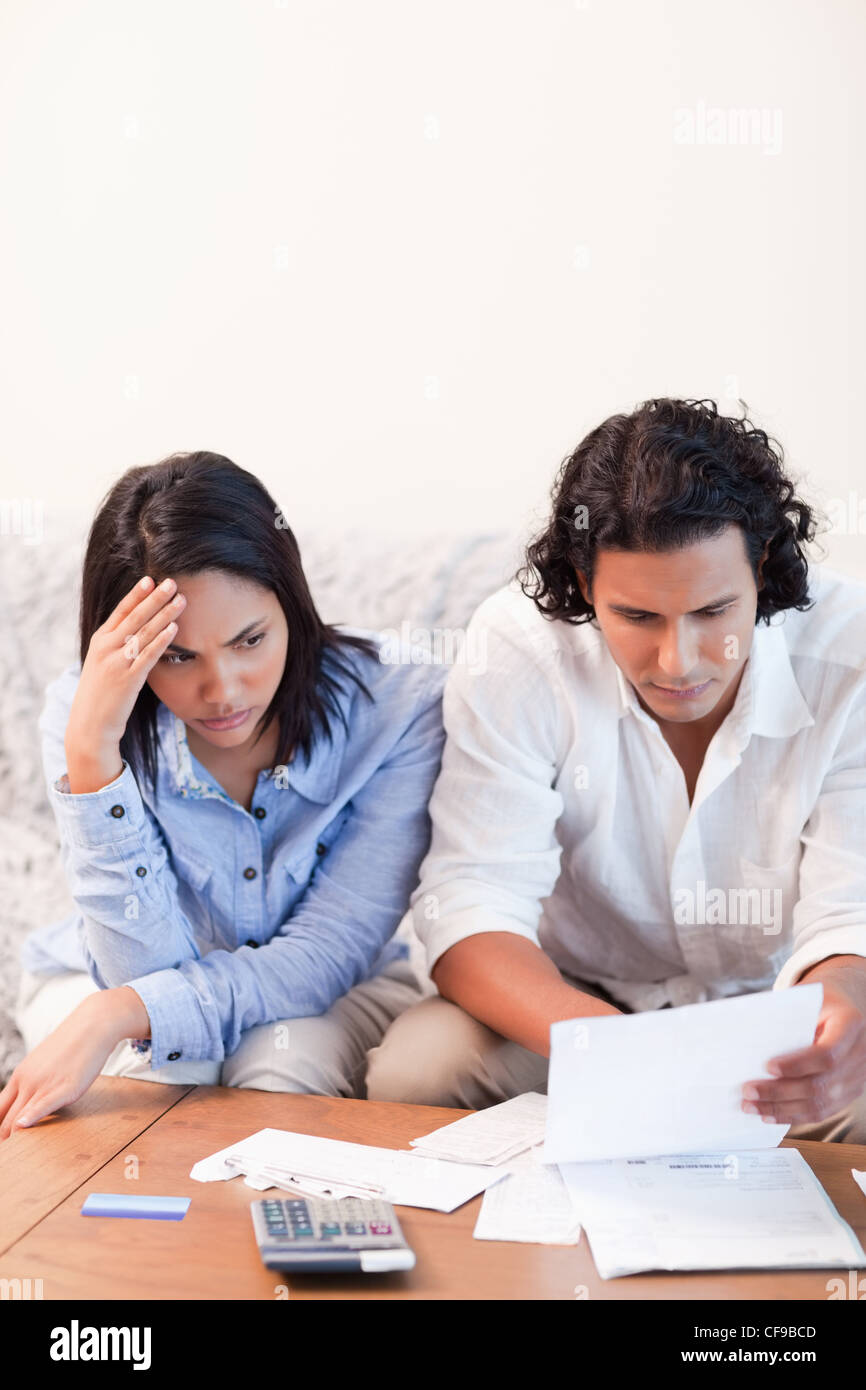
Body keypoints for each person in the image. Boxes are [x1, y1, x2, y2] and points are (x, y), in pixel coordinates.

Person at [366, 398, 866, 1143]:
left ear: (760, 566)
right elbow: (470, 905)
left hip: (773, 1009)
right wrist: (627, 1055)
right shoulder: (518, 649)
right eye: (637, 617)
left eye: (712, 611)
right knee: (418, 1072)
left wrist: (844, 1007)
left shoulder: (846, 651)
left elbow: (848, 912)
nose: (680, 663)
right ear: (582, 581)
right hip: (573, 1005)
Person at [0, 450, 445, 1140]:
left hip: (322, 991)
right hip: (100, 981)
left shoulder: (398, 706)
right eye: (177, 656)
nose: (224, 690)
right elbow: (139, 970)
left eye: (250, 640)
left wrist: (121, 1012)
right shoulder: (85, 713)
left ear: (290, 605)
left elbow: (324, 953)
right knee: (152, 1083)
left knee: (278, 1076)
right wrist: (93, 758)